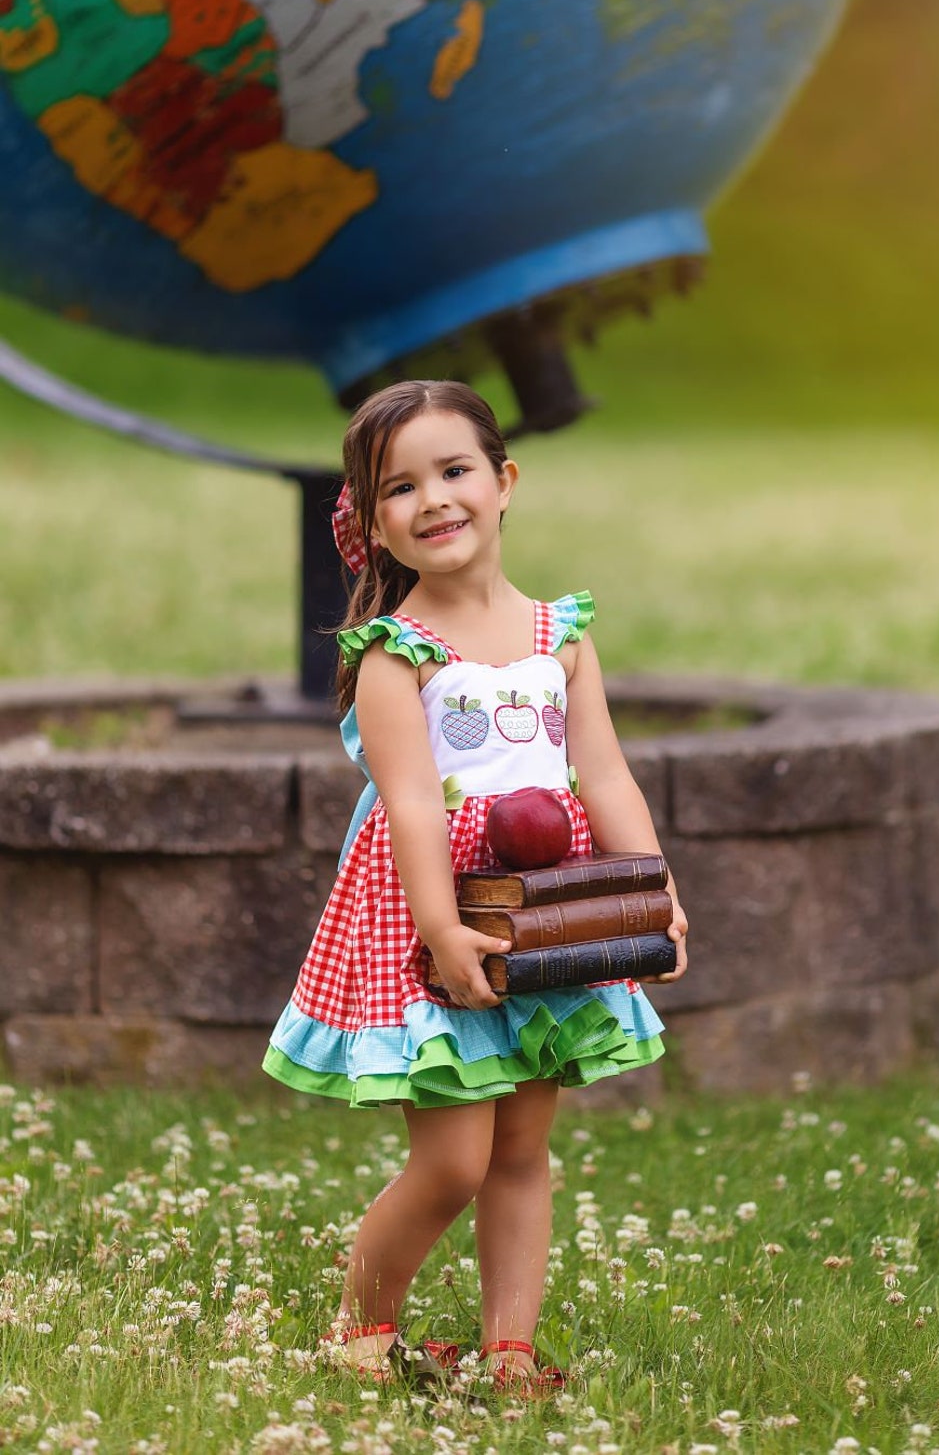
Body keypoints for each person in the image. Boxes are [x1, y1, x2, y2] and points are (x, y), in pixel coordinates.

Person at [264, 379, 688, 1391]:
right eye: (399, 489)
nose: (434, 500)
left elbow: (607, 774)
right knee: (453, 1159)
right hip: (436, 922)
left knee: (522, 1147)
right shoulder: (394, 655)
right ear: (372, 526)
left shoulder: (560, 635)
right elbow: (412, 804)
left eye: (454, 472)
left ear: (503, 483)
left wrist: (654, 895)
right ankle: (360, 1332)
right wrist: (445, 931)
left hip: (547, 919)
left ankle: (509, 1352)